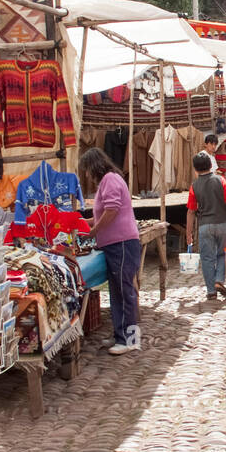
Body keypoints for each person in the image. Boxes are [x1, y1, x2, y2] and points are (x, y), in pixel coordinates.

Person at [79, 148, 142, 356]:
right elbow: (102, 213)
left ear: (93, 166)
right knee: (117, 292)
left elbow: (112, 210)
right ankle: (120, 335)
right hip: (115, 244)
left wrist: (93, 231)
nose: (87, 175)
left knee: (125, 292)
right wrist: (81, 223)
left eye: (87, 170)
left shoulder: (110, 179)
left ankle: (130, 340)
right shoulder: (108, 181)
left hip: (122, 243)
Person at [186, 151, 226, 300]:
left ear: (195, 169)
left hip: (205, 226)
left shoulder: (194, 186)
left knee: (207, 258)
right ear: (211, 166)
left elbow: (191, 212)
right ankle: (219, 280)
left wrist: (188, 233)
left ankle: (211, 290)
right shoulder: (220, 181)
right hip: (223, 224)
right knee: (223, 254)